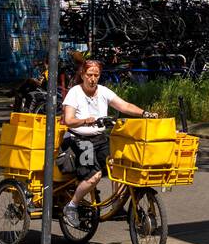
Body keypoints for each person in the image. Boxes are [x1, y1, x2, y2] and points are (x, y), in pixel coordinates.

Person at [60, 59, 153, 228]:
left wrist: (145, 113)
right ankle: (71, 206)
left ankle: (117, 203)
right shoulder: (75, 92)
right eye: (89, 75)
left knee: (121, 163)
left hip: (99, 138)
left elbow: (124, 106)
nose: (93, 79)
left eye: (96, 75)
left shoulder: (102, 91)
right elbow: (68, 120)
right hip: (79, 140)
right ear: (82, 75)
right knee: (93, 176)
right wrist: (84, 121)